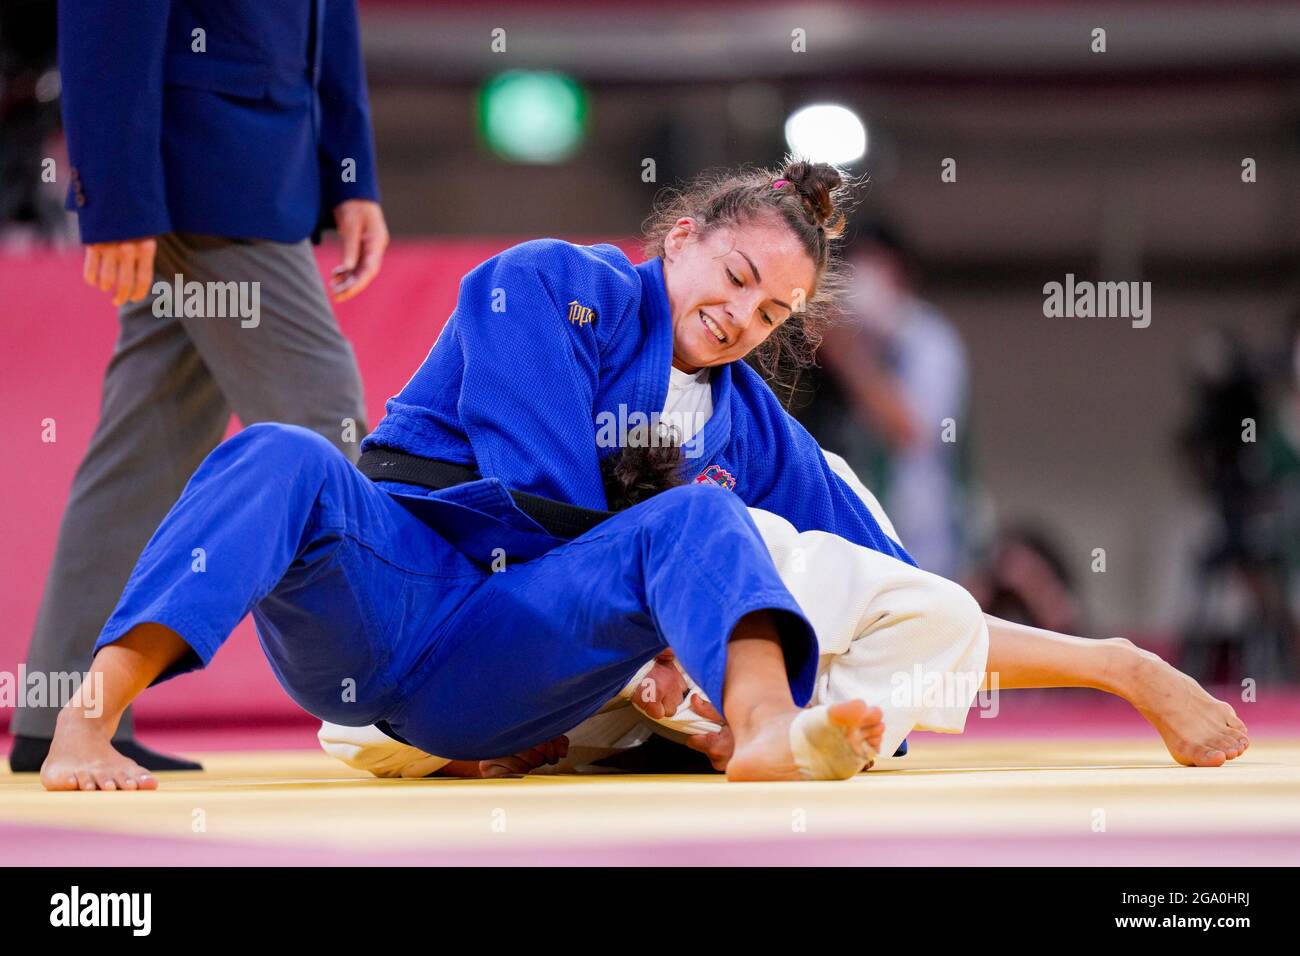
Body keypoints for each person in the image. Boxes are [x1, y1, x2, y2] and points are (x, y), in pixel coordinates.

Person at [38, 161, 1248, 792]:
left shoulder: (748, 422)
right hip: (393, 592)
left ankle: (768, 730)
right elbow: (542, 493)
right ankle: (88, 714)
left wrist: (1117, 668)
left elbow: (888, 589)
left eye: (768, 311)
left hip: (507, 668)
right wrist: (666, 613)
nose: (736, 314)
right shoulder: (547, 282)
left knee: (734, 533)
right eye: (727, 276)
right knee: (284, 452)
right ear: (678, 237)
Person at [9, 0, 388, 773]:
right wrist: (114, 195)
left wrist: (349, 170)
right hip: (197, 168)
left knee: (147, 443)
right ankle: (409, 705)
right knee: (327, 433)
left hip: (256, 159)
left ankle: (61, 709)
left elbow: (328, 15)